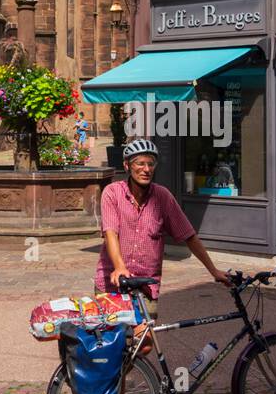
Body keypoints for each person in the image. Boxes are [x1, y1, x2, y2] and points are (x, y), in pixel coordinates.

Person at [95, 137, 231, 336]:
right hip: (112, 281)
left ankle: (129, 365)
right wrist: (119, 266)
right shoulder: (112, 193)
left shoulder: (163, 197)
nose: (146, 169)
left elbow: (189, 236)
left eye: (150, 164)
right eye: (140, 163)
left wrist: (214, 271)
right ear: (127, 166)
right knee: (109, 343)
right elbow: (110, 233)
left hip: (145, 285)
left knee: (146, 343)